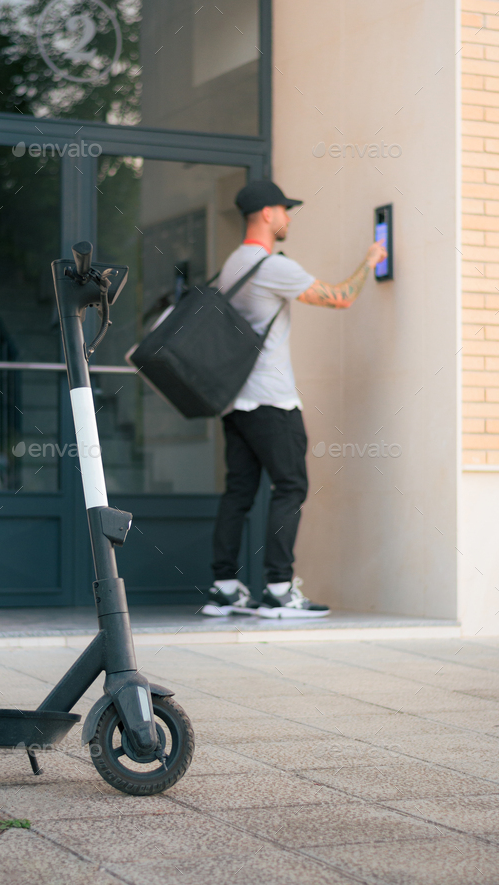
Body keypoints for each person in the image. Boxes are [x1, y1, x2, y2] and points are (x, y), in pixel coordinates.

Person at [202, 180, 387, 619]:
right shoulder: (270, 266)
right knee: (290, 486)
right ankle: (279, 589)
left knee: (239, 492)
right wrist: (370, 260)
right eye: (284, 210)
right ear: (267, 213)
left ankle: (224, 586)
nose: (287, 218)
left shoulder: (233, 264)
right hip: (271, 398)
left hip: (235, 401)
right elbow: (339, 298)